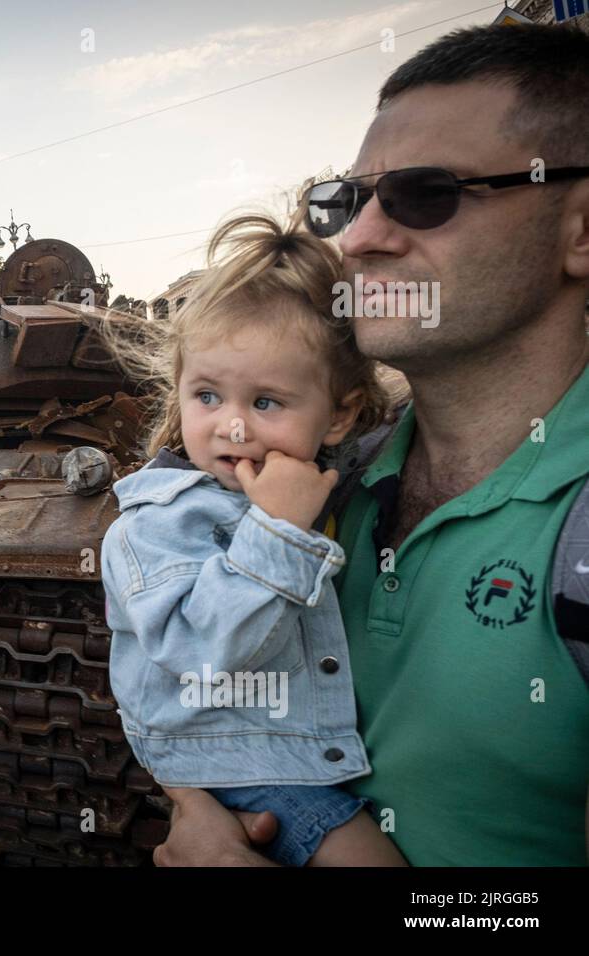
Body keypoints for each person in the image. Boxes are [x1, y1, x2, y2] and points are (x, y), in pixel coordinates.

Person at [156, 23, 589, 867]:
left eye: (426, 194)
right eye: (345, 201)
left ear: (580, 229)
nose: (357, 240)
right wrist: (198, 807)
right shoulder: (324, 474)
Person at [102, 212, 405, 867]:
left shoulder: (338, 473)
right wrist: (277, 533)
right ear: (177, 392)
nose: (233, 429)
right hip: (243, 760)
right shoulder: (155, 523)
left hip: (292, 744)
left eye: (267, 403)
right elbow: (204, 657)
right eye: (207, 395)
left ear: (342, 414)